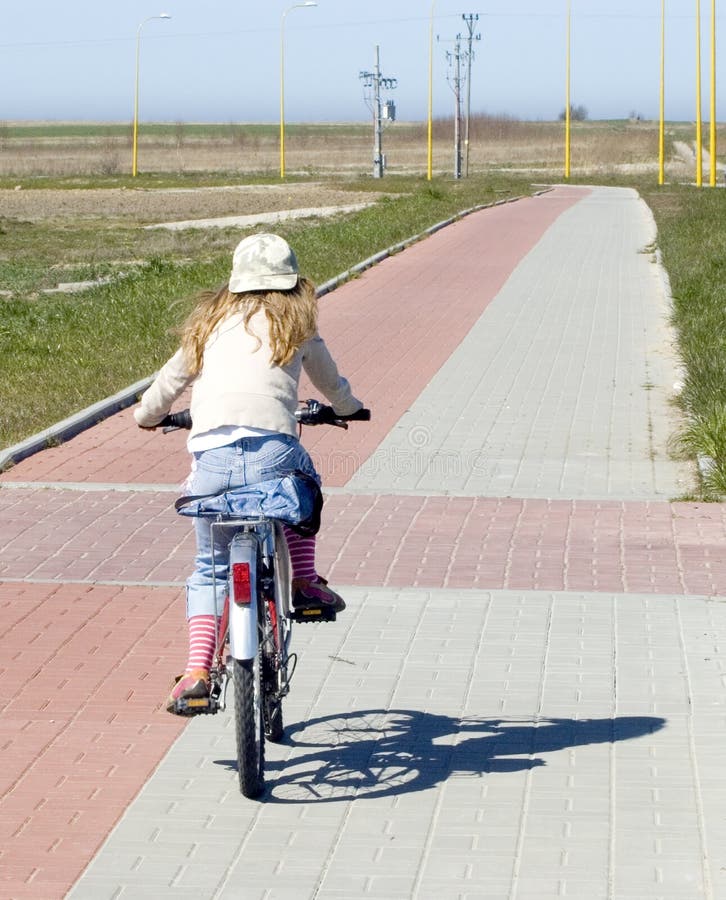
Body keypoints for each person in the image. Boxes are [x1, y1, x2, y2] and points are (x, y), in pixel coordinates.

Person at [133, 233, 364, 714]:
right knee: (304, 490)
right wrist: (350, 407)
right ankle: (302, 582)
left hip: (212, 462)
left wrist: (149, 416)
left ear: (235, 283)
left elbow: (169, 382)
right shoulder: (297, 325)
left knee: (209, 569)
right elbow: (330, 383)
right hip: (273, 451)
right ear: (293, 284)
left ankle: (197, 670)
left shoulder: (208, 325)